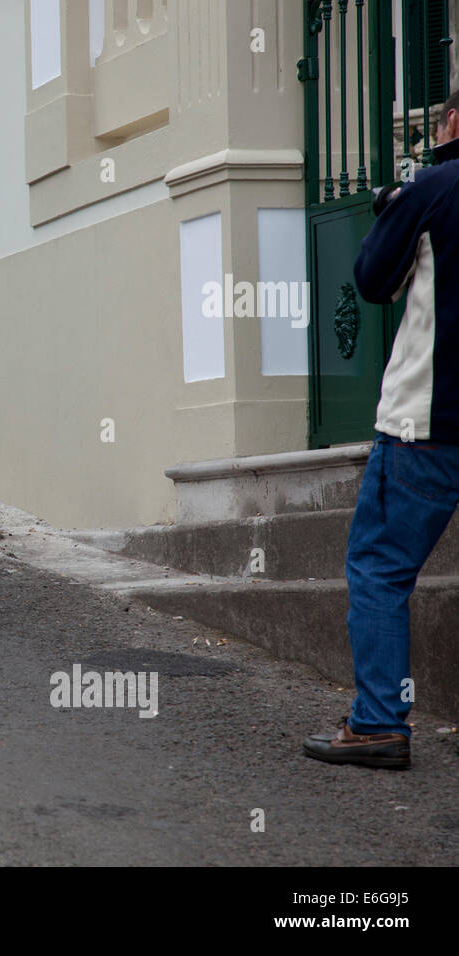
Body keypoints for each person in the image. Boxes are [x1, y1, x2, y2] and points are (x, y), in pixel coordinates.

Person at [303, 90, 459, 770]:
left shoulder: (434, 188)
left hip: (429, 425)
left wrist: (400, 204)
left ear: (453, 123)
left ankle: (378, 724)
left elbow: (372, 280)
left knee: (380, 569)